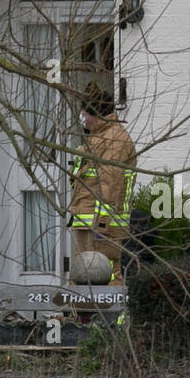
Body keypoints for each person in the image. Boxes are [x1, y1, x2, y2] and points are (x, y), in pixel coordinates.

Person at [67, 85, 136, 285]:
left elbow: (109, 184)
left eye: (84, 113)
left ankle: (114, 316)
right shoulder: (99, 138)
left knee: (107, 274)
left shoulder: (115, 140)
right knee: (83, 275)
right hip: (88, 221)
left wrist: (102, 223)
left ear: (95, 114)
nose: (81, 117)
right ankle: (81, 315)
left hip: (103, 225)